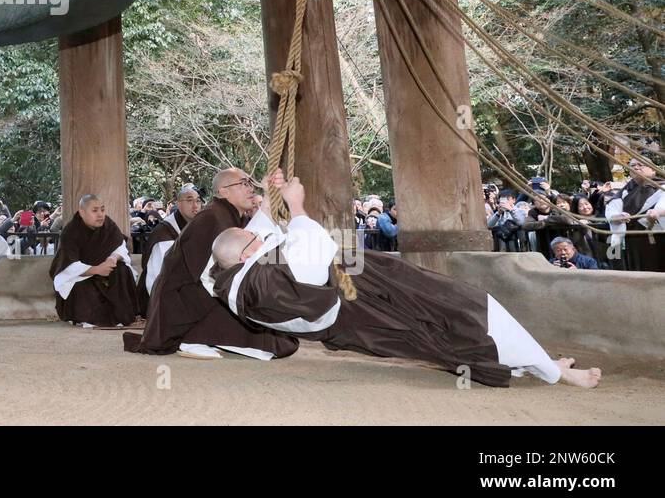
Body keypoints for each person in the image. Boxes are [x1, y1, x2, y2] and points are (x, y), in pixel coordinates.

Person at [207, 169, 602, 389]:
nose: (259, 234)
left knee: (437, 336)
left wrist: (267, 196)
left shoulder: (237, 280)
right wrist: (296, 205)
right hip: (364, 290)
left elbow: (272, 243)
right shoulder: (260, 278)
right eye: (253, 238)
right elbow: (308, 260)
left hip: (354, 317)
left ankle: (532, 363)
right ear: (246, 255)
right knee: (462, 305)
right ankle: (551, 370)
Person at [122, 166, 300, 361]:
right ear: (223, 191)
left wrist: (269, 193)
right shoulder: (212, 217)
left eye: (250, 183)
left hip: (206, 291)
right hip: (187, 302)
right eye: (243, 183)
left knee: (277, 333)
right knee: (272, 340)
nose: (250, 188)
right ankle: (192, 337)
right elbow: (203, 273)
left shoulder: (228, 215)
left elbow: (255, 233)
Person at [49, 194, 140, 328]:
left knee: (122, 270)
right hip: (83, 275)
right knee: (80, 285)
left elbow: (120, 248)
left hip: (105, 270)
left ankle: (122, 315)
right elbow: (68, 266)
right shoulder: (70, 232)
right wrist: (97, 270)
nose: (100, 215)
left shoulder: (108, 224)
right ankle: (87, 318)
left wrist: (112, 258)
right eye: (95, 210)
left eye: (102, 210)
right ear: (82, 212)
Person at [138, 183, 201, 313]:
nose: (195, 206)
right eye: (189, 201)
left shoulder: (198, 225)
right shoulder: (165, 232)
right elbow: (159, 275)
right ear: (178, 204)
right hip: (161, 290)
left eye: (198, 201)